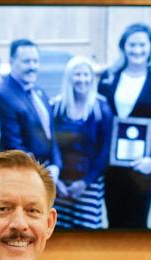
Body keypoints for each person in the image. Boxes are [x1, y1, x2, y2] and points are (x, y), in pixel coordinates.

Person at [99, 23, 151, 229]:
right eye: (132, 45)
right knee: (114, 224)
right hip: (112, 168)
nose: (137, 50)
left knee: (137, 224)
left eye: (142, 45)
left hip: (144, 168)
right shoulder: (109, 78)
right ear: (123, 47)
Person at [51, 55, 112, 230]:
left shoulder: (101, 108)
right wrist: (56, 182)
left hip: (89, 184)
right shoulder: (56, 107)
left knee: (87, 236)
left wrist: (85, 182)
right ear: (69, 77)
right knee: (59, 235)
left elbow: (105, 152)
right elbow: (50, 145)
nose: (82, 79)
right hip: (59, 184)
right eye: (77, 75)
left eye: (86, 75)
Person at [0, 39, 61, 178]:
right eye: (26, 62)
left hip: (45, 173)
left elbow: (50, 133)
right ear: (11, 62)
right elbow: (13, 144)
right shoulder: (3, 95)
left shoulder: (39, 91)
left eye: (35, 61)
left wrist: (56, 165)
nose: (32, 66)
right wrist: (40, 173)